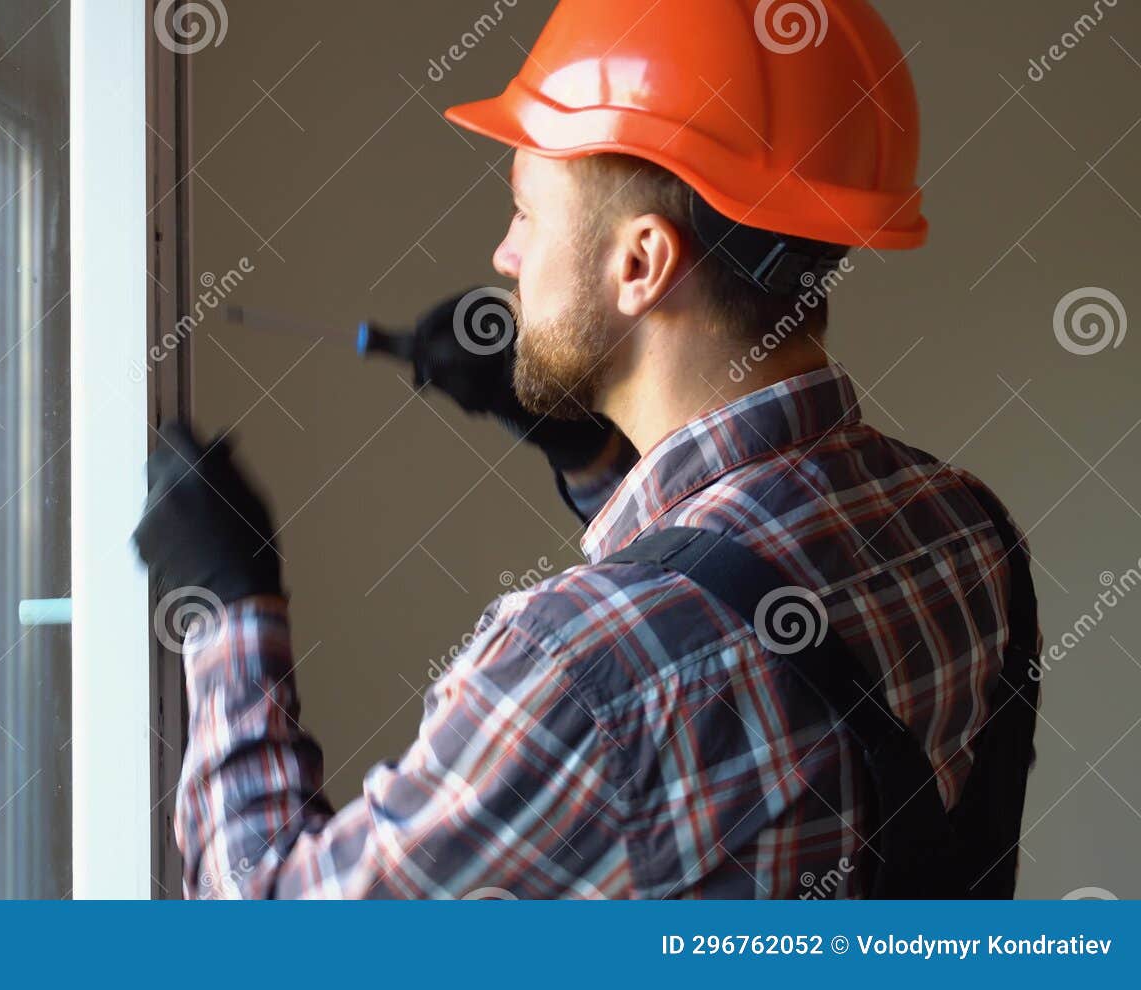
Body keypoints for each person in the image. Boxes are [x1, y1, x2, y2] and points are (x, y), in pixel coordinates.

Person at [134, 0, 1041, 899]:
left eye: (526, 211)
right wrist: (596, 460)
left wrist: (229, 613)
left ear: (640, 264)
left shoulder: (583, 670)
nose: (504, 255)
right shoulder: (962, 524)